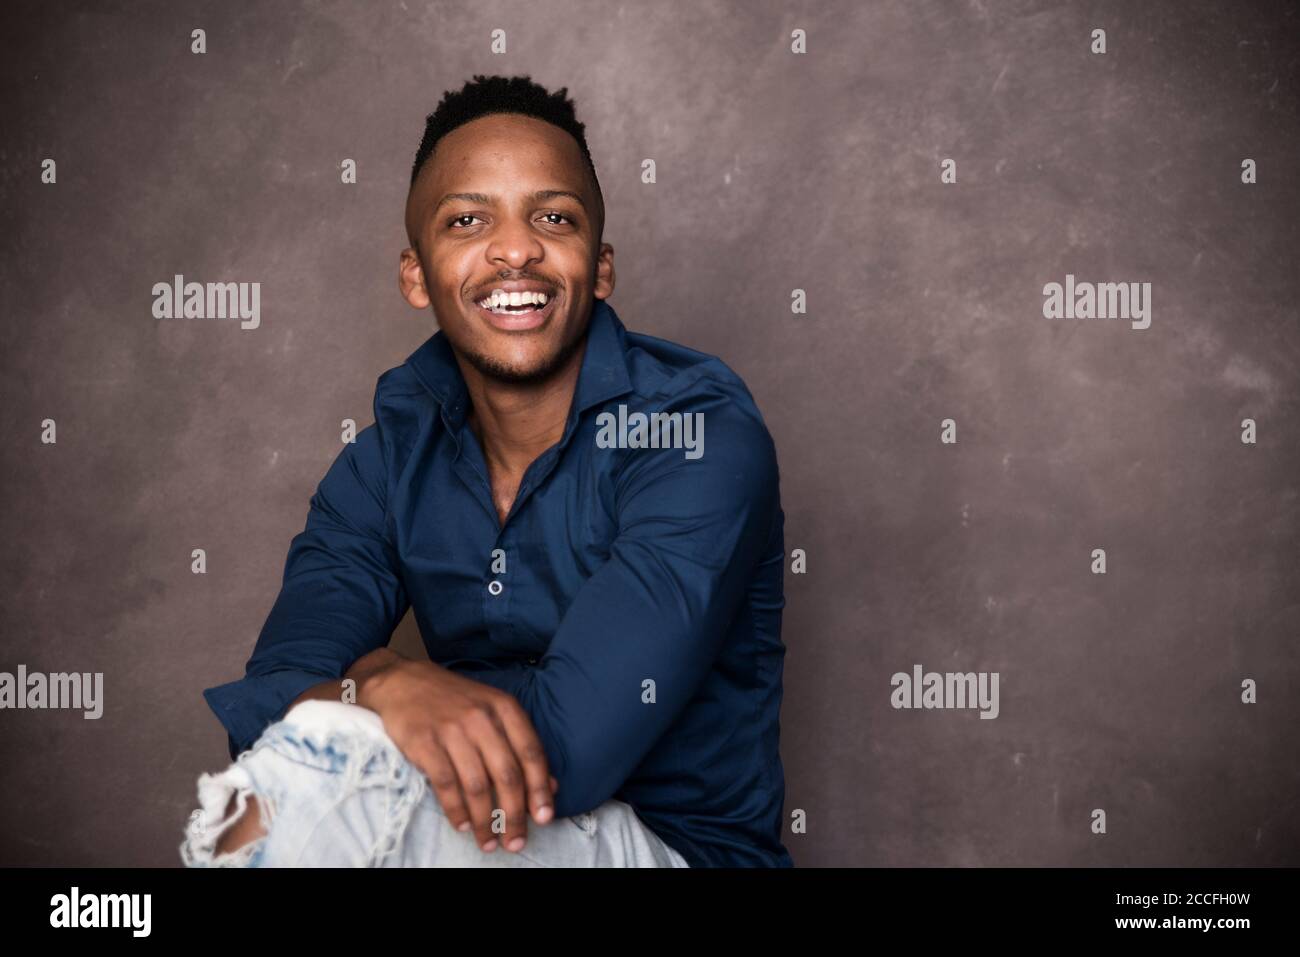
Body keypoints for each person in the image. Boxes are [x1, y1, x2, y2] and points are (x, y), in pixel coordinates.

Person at [180, 74, 793, 868]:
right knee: (280, 779)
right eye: (467, 219)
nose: (514, 248)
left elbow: (573, 746)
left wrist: (369, 680)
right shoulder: (387, 459)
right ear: (416, 275)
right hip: (463, 824)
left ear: (599, 268)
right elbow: (272, 696)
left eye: (554, 217)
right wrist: (380, 685)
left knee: (307, 775)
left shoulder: (694, 430)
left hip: (675, 850)